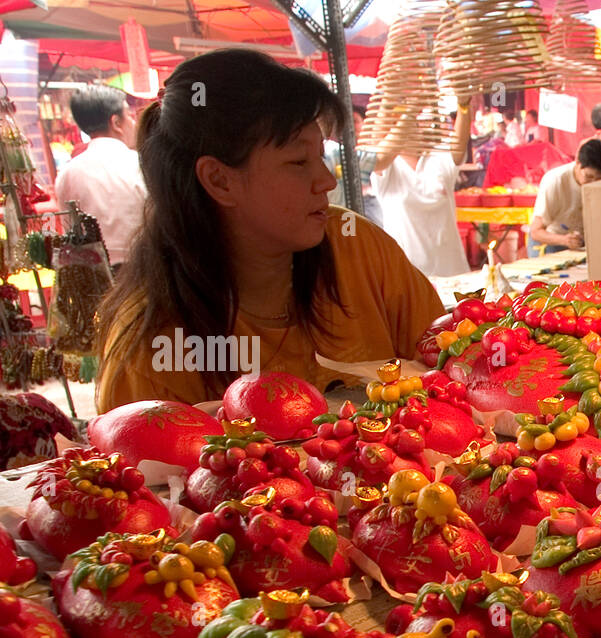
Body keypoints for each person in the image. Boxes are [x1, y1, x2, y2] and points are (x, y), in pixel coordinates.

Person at [93, 49, 446, 412]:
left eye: (321, 157)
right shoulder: (151, 349)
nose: (325, 181)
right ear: (220, 180)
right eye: (297, 162)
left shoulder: (354, 244)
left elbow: (449, 364)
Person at [370, 103, 472, 278]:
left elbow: (459, 142)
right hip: (407, 274)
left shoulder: (438, 158)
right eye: (399, 127)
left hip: (453, 272)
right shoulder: (385, 170)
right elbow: (376, 154)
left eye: (411, 125)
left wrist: (464, 105)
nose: (407, 131)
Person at [55, 85, 148, 266]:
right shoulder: (138, 163)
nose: (133, 123)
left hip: (96, 275)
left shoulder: (68, 174)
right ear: (116, 123)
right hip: (144, 268)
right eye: (129, 116)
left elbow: (70, 229)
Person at [528, 139, 601, 255]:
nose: (592, 183)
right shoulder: (555, 181)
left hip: (584, 245)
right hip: (552, 242)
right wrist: (564, 240)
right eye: (588, 177)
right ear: (577, 163)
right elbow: (536, 231)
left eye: (599, 179)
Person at [325, 103, 382, 226]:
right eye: (347, 121)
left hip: (362, 209)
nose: (351, 126)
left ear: (365, 124)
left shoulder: (371, 149)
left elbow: (382, 161)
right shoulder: (334, 152)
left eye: (355, 121)